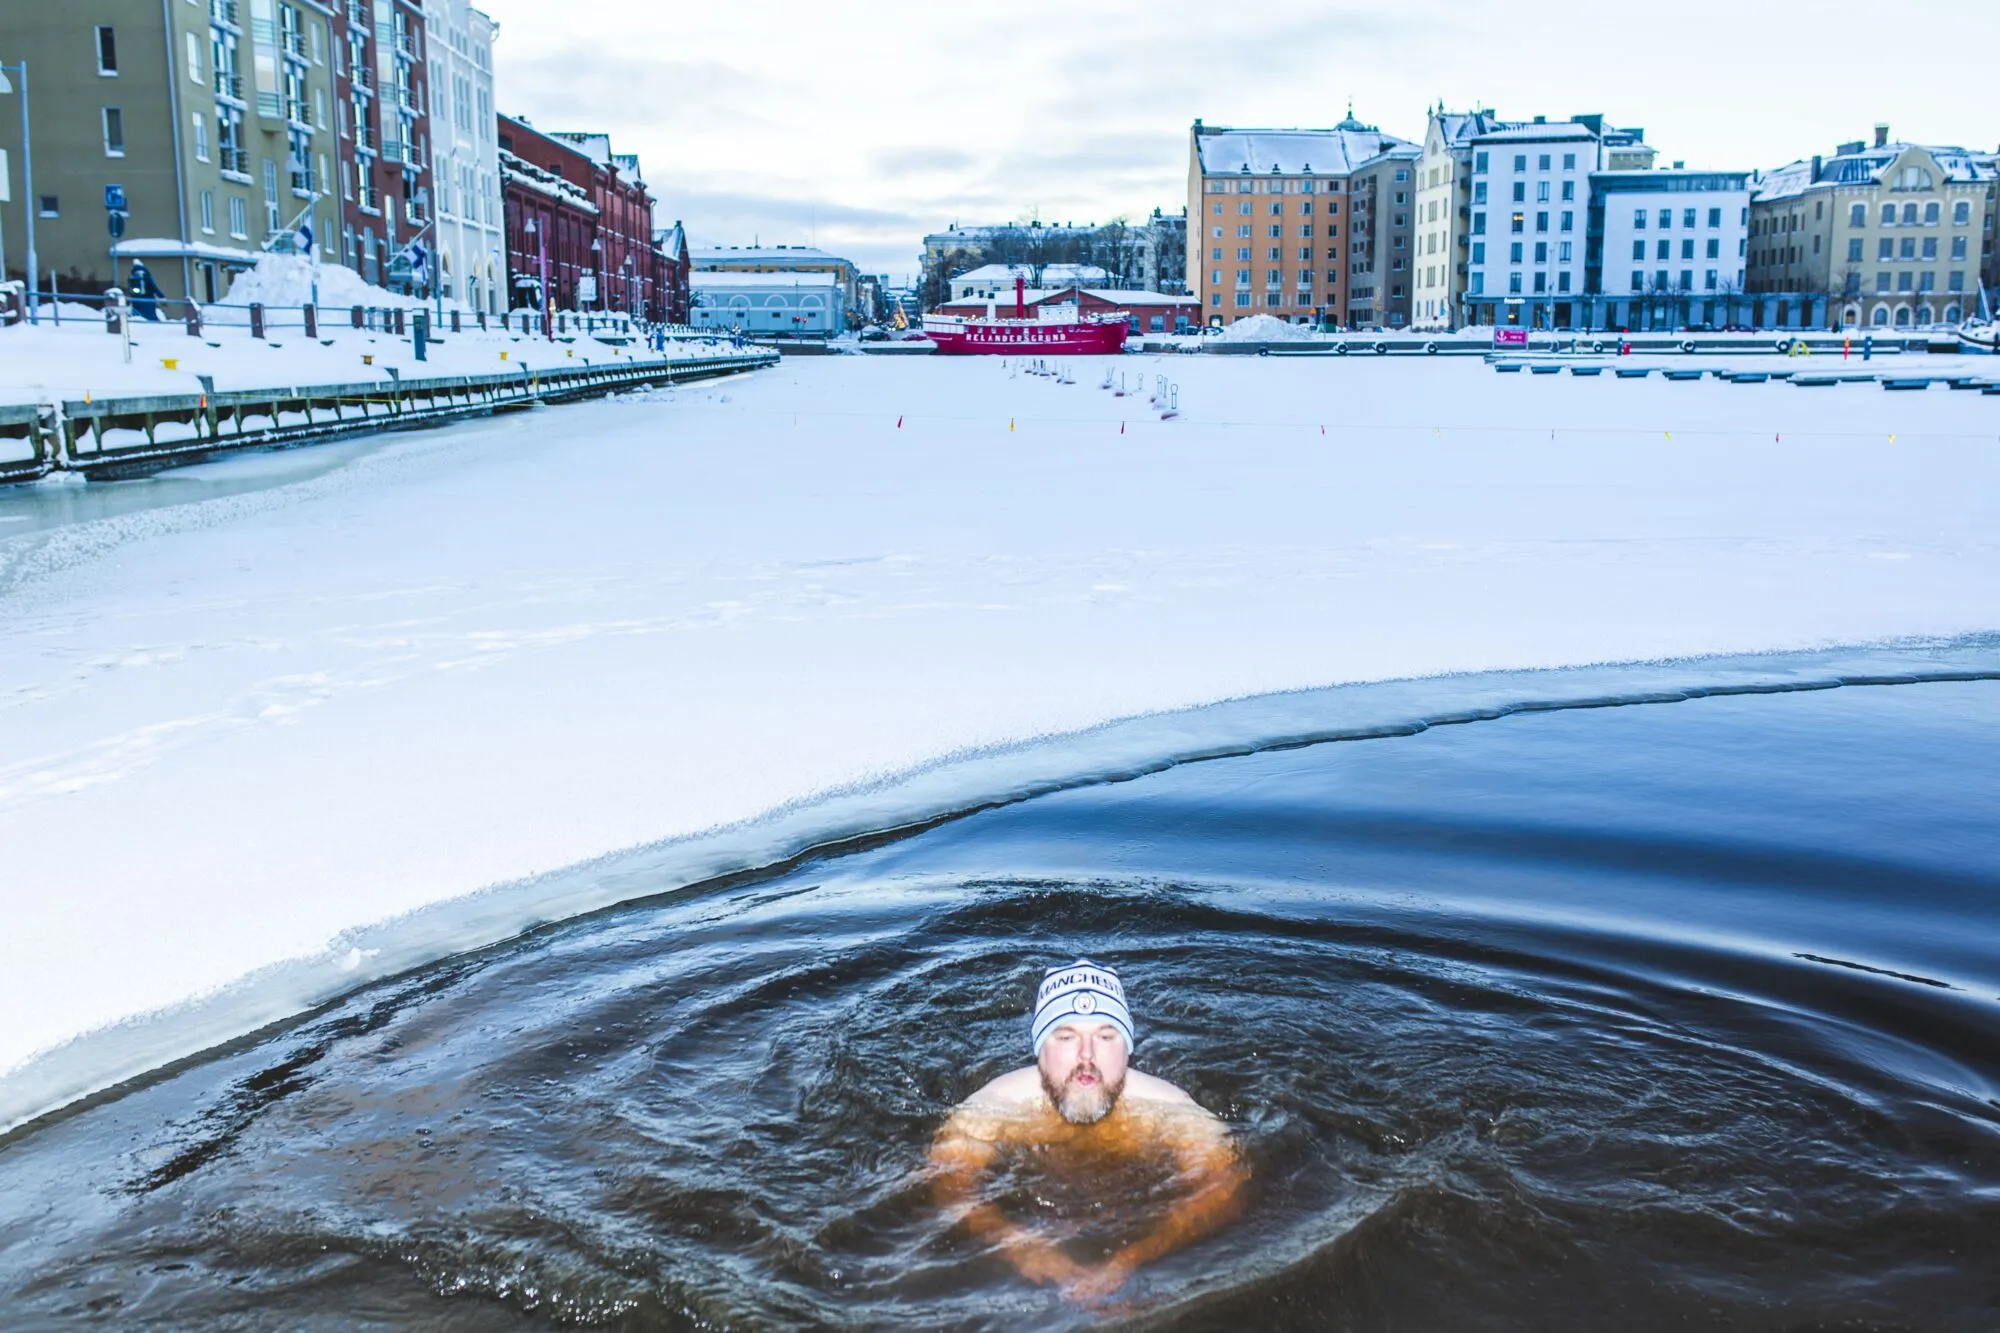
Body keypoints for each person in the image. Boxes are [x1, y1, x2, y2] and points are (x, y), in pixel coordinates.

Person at [929, 960, 1246, 1303]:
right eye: (1066, 1036)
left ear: (1127, 1049)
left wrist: (1132, 1258)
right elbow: (950, 1186)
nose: (1086, 1056)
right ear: (1040, 1049)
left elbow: (1223, 1188)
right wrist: (1022, 1248)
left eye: (1106, 1036)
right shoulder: (993, 1107)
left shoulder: (1171, 1110)